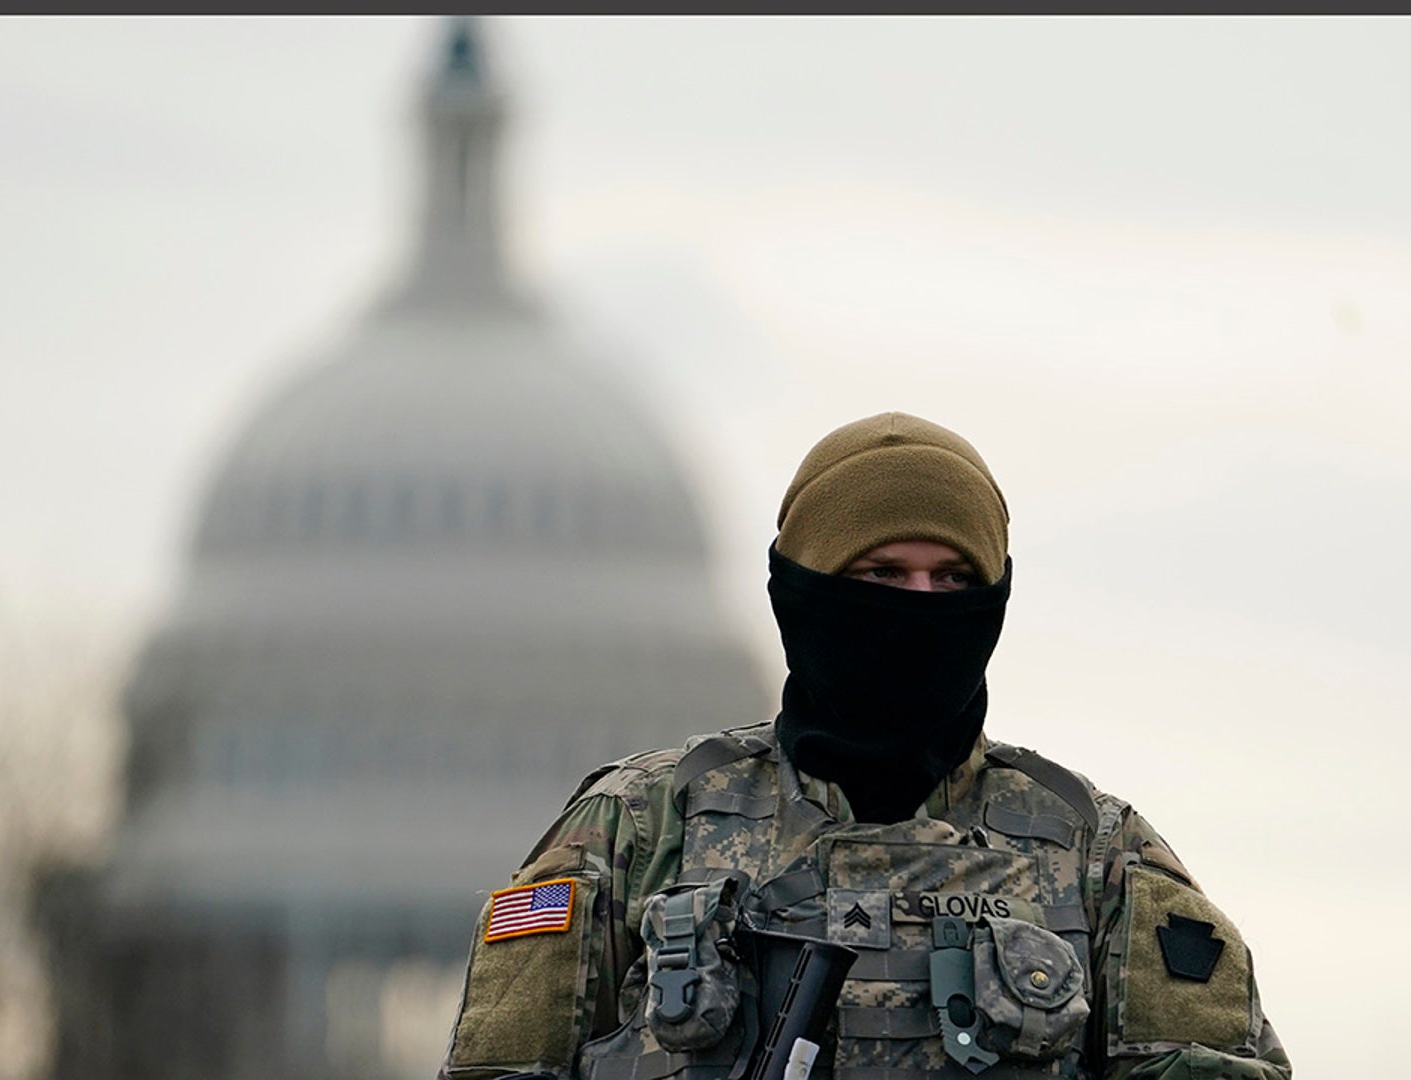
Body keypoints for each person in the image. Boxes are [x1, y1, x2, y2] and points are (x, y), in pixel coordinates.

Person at [441, 412, 1292, 1080]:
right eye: (882, 575)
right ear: (804, 592)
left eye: (954, 579)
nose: (920, 605)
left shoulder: (1096, 855)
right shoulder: (638, 826)